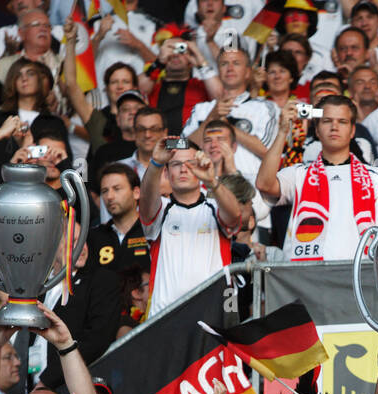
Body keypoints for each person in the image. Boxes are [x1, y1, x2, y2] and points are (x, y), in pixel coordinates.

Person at [257, 94, 378, 262]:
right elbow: (264, 184)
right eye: (327, 121)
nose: (334, 127)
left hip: (359, 271)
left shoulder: (375, 176)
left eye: (342, 122)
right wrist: (282, 131)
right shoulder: (299, 174)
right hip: (306, 273)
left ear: (352, 131)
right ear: (316, 130)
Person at [139, 137, 241, 316]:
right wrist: (155, 163)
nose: (183, 169)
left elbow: (235, 215)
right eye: (176, 164)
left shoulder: (216, 206)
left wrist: (212, 181)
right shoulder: (161, 208)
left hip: (214, 313)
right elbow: (145, 203)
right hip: (164, 316)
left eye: (190, 163)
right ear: (166, 172)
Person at [183, 47, 278, 170]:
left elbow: (269, 152)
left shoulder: (265, 108)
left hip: (247, 180)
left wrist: (227, 125)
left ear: (248, 72)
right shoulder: (201, 109)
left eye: (236, 63)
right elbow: (181, 147)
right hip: (205, 181)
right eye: (224, 64)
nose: (230, 68)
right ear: (218, 71)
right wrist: (211, 118)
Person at [86, 163, 152, 277]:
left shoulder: (152, 232)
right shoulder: (92, 237)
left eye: (117, 189)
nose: (109, 196)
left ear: (136, 193)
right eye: (105, 191)